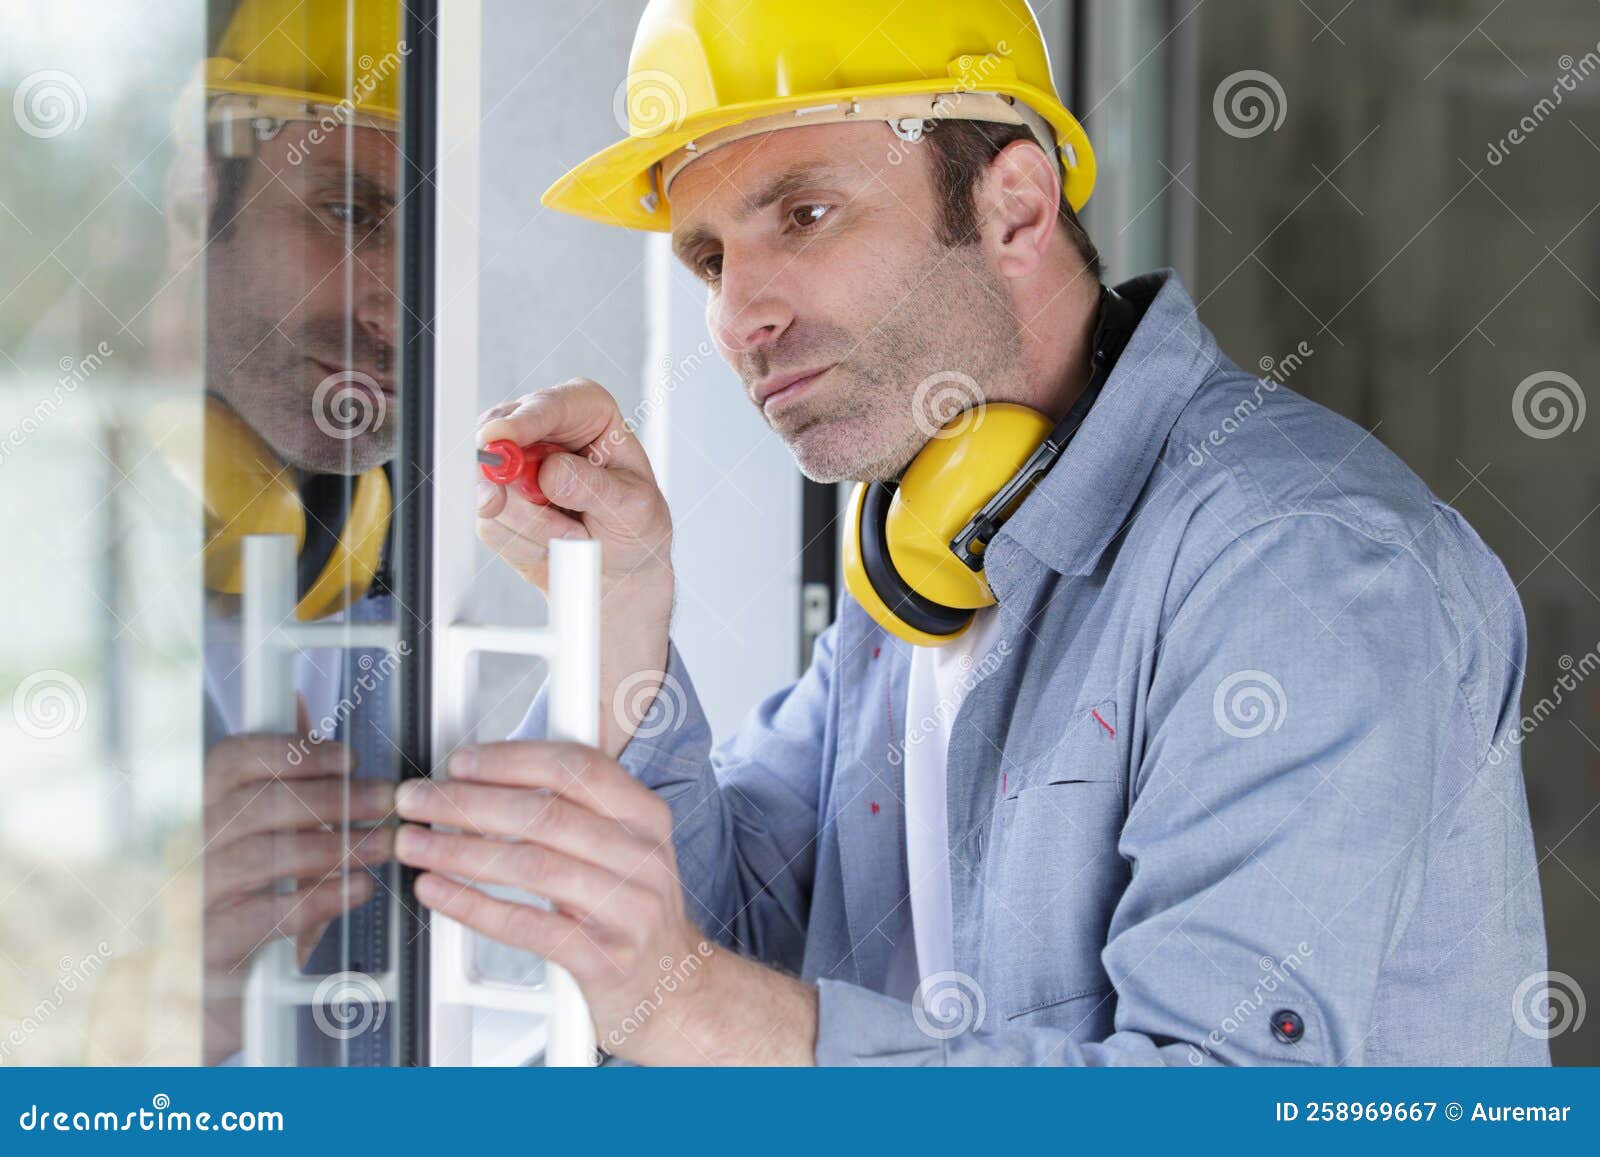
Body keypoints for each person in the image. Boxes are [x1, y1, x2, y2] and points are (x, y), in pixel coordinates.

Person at [394, 0, 1548, 1066]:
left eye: (803, 213)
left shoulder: (1297, 559)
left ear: (1014, 209)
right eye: (708, 257)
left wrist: (697, 1002)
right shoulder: (926, 561)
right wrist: (622, 607)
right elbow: (726, 935)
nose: (739, 315)